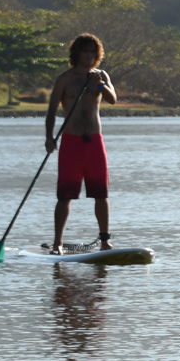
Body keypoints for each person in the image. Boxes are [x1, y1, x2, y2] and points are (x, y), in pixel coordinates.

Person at [45, 33, 119, 255]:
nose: (88, 56)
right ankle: (58, 242)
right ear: (76, 53)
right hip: (71, 142)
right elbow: (50, 112)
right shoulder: (65, 79)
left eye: (92, 52)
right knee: (65, 195)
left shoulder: (101, 75)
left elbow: (113, 99)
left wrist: (99, 86)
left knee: (100, 193)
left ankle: (104, 240)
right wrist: (49, 138)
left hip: (94, 142)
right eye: (85, 52)